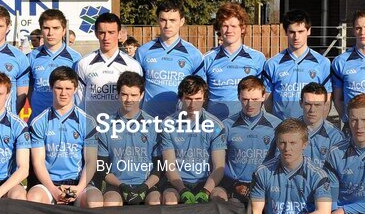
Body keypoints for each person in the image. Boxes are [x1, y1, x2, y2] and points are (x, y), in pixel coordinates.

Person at [27, 67, 101, 206]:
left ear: (75, 89)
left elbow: (91, 161)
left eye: (68, 88)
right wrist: (54, 190)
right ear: (51, 88)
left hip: (78, 183)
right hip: (49, 183)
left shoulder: (88, 121)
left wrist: (78, 189)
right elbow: (38, 162)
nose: (63, 93)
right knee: (34, 197)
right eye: (59, 88)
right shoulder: (38, 122)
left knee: (94, 200)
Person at [96, 71, 163, 207]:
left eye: (134, 95)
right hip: (116, 185)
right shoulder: (105, 125)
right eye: (124, 94)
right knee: (110, 202)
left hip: (146, 185)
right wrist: (121, 186)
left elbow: (159, 167)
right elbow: (102, 168)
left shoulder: (153, 125)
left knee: (155, 201)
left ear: (142, 95)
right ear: (117, 94)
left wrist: (145, 186)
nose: (129, 99)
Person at [160, 76, 227, 205]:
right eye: (188, 99)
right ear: (181, 98)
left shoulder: (216, 126)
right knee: (170, 200)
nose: (193, 104)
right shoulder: (167, 124)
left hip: (205, 181)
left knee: (221, 197)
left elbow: (219, 167)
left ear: (204, 99)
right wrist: (182, 189)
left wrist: (206, 191)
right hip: (178, 182)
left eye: (198, 99)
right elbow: (169, 166)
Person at [135, 0, 205, 118]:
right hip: (150, 121)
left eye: (172, 20)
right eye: (163, 20)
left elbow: (201, 92)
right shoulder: (143, 52)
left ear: (181, 21)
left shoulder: (194, 54)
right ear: (158, 20)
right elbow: (135, 89)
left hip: (181, 122)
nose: (167, 25)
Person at [220, 76, 281, 205]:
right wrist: (234, 184)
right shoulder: (226, 125)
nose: (250, 104)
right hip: (235, 188)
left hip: (265, 187)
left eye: (255, 99)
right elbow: (219, 161)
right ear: (238, 97)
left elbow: (279, 160)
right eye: (245, 99)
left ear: (264, 97)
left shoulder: (277, 125)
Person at [262, 9, 331, 120]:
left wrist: (318, 126)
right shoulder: (272, 64)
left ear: (309, 31)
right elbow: (268, 101)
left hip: (310, 128)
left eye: (300, 31)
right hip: (282, 129)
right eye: (292, 32)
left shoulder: (323, 63)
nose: (296, 37)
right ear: (286, 32)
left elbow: (327, 100)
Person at [202, 2, 266, 120]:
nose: (229, 30)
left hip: (246, 125)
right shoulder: (207, 59)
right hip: (215, 125)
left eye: (233, 26)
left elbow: (265, 96)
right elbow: (200, 96)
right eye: (225, 26)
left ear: (242, 28)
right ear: (219, 29)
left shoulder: (258, 58)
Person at [74, 12, 143, 120]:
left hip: (122, 129)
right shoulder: (83, 63)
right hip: (92, 131)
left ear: (119, 34)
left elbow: (138, 101)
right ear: (96, 34)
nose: (106, 37)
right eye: (102, 32)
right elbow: (79, 102)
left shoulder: (133, 65)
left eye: (111, 32)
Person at [27, 9, 82, 121]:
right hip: (38, 121)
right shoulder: (31, 57)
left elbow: (78, 92)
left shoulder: (76, 58)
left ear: (63, 31)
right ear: (41, 30)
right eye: (46, 28)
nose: (50, 33)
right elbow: (28, 89)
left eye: (56, 28)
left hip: (65, 122)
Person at [299, 83, 344, 169]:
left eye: (317, 105)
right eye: (308, 104)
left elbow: (341, 171)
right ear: (300, 103)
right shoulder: (289, 132)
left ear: (325, 105)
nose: (312, 110)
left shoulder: (336, 136)